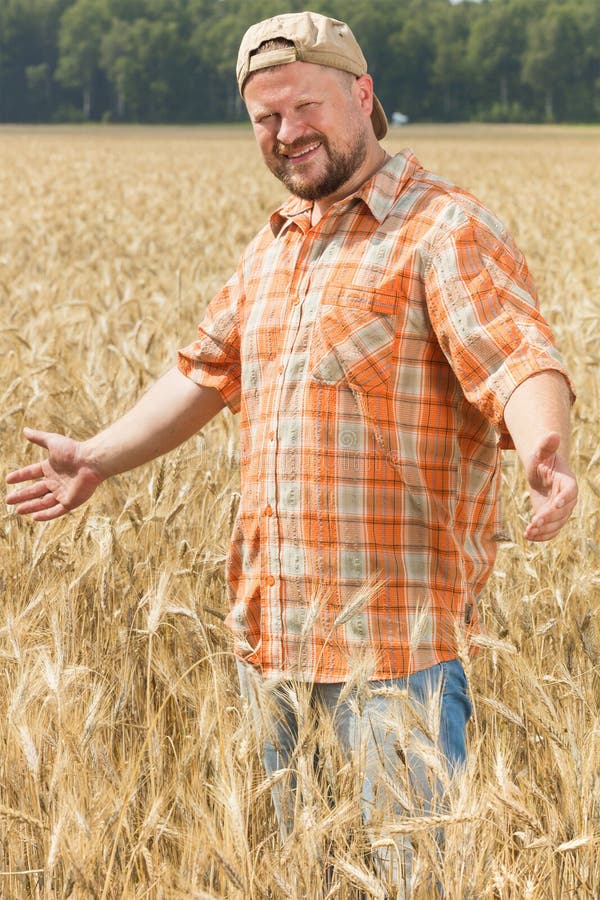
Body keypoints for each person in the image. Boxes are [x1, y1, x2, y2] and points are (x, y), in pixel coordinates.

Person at [6, 10, 577, 894]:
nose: (285, 132)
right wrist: (100, 457)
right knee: (292, 877)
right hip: (270, 649)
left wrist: (545, 446)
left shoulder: (442, 229)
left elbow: (519, 357)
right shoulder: (276, 247)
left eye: (303, 106)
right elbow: (203, 374)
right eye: (264, 119)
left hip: (396, 665)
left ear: (362, 94)